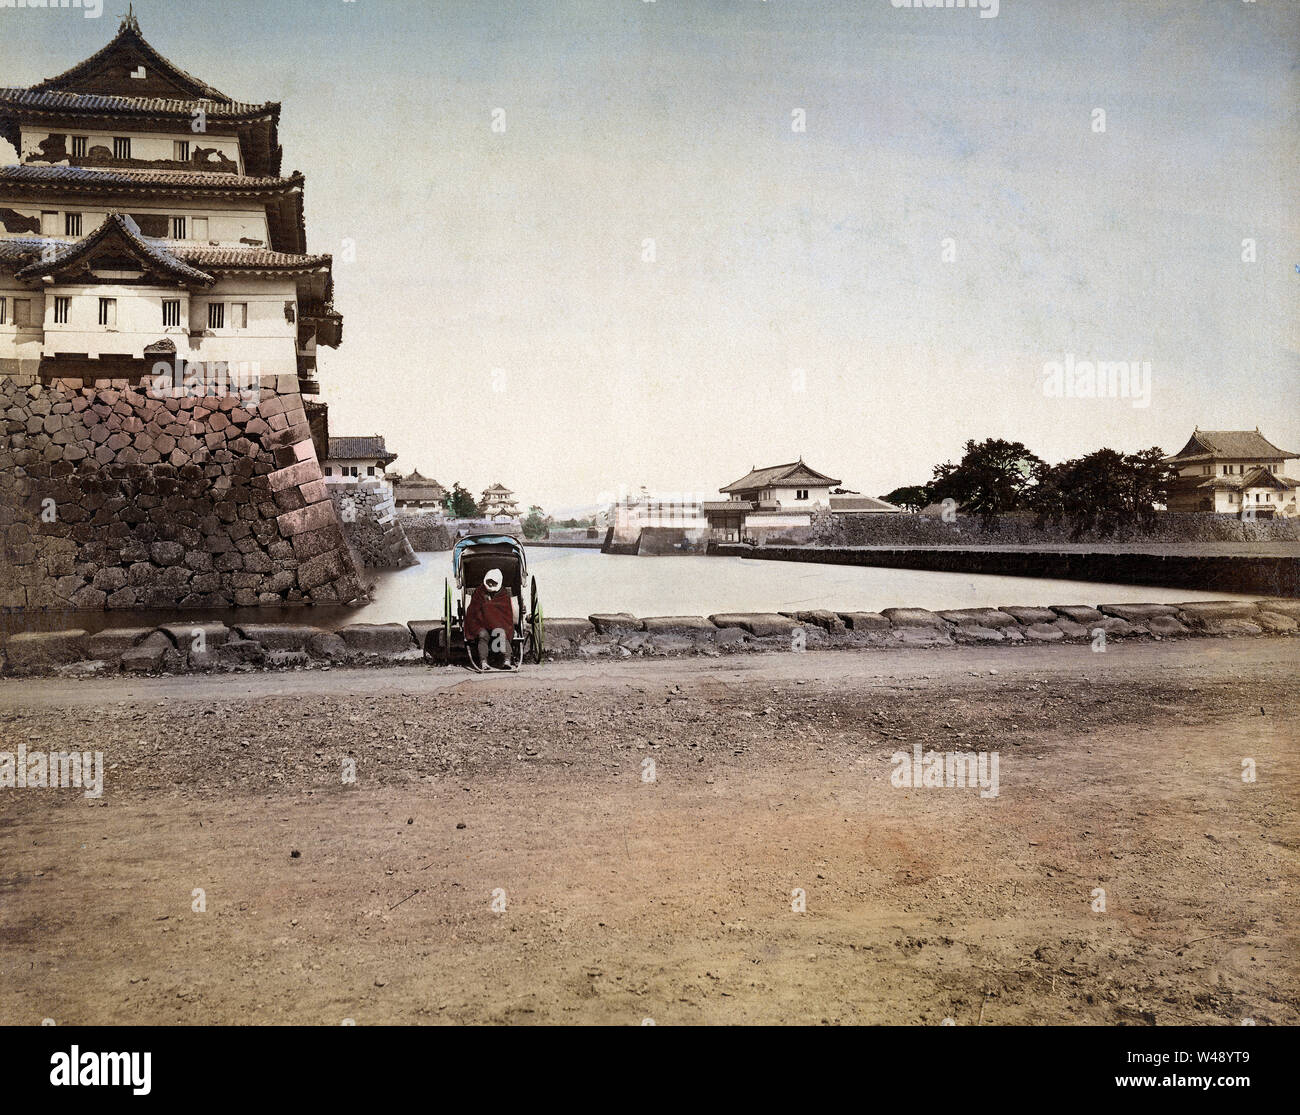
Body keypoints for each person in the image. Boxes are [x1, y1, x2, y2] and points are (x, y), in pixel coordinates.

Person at [463, 568, 514, 668]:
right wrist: (486, 608)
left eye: (493, 582)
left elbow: (505, 614)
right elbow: (473, 610)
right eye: (489, 582)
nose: (490, 585)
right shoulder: (479, 592)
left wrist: (488, 607)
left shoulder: (503, 594)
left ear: (498, 582)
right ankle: (483, 662)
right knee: (483, 635)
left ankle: (507, 660)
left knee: (500, 634)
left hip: (498, 625)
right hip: (481, 624)